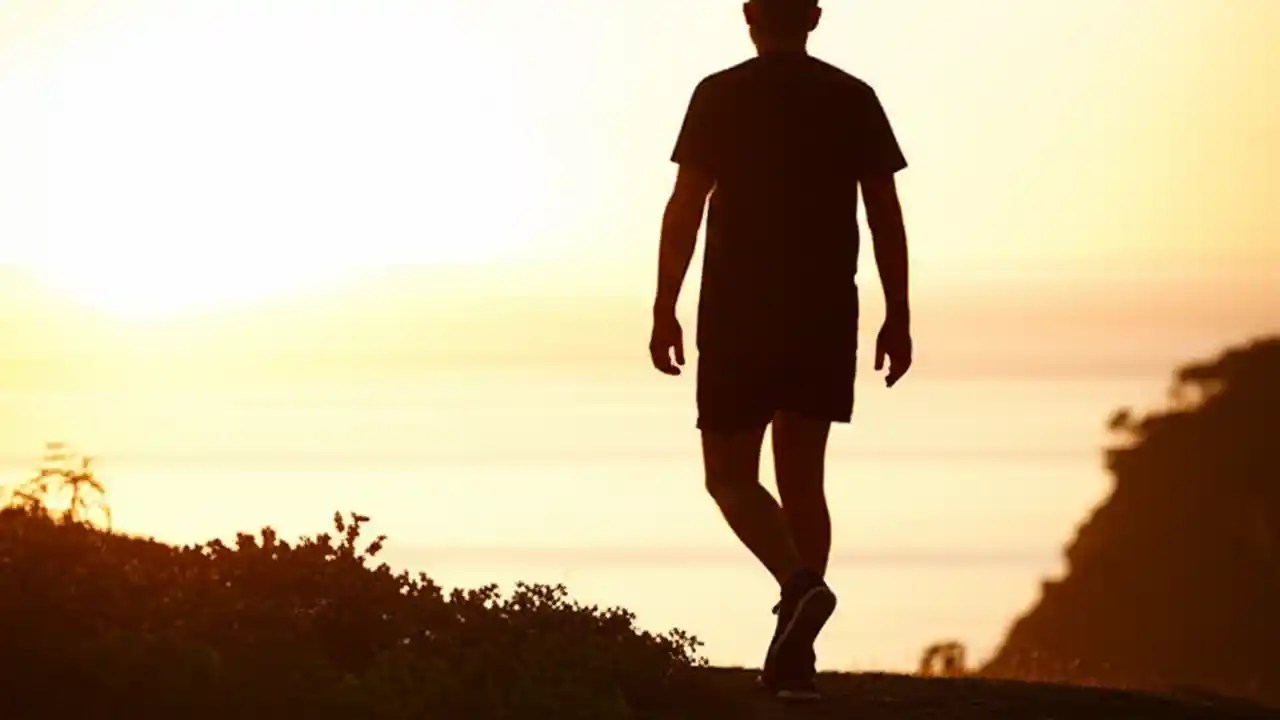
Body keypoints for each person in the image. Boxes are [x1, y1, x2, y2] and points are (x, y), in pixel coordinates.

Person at [648, 0, 913, 701]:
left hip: (738, 313)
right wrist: (899, 313)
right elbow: (883, 211)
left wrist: (664, 306)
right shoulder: (852, 97)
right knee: (803, 479)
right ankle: (796, 659)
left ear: (749, 17)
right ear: (815, 17)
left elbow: (686, 204)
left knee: (729, 477)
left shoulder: (719, 94)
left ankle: (801, 588)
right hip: (825, 311)